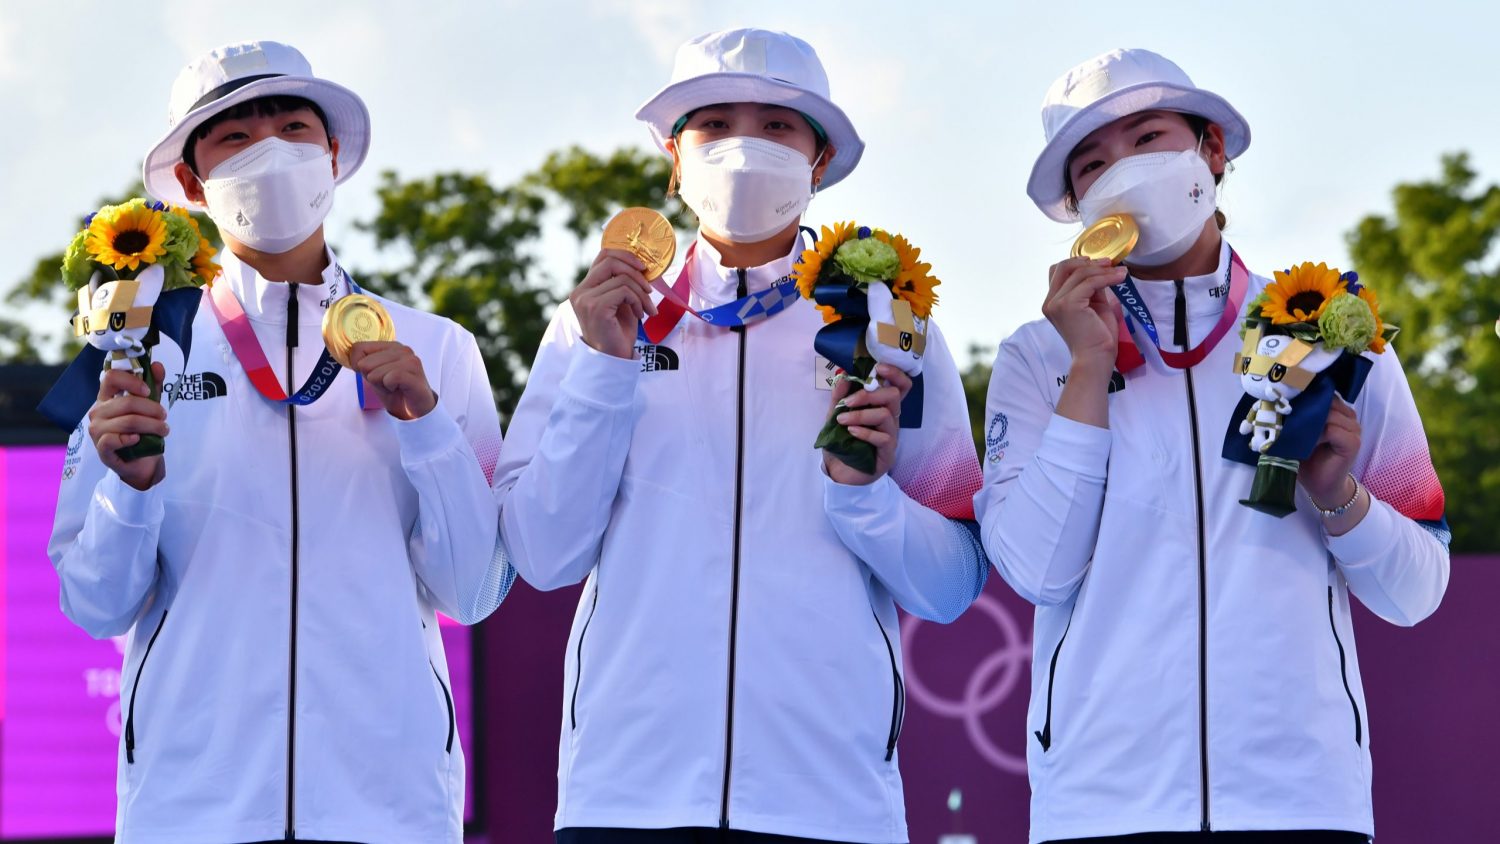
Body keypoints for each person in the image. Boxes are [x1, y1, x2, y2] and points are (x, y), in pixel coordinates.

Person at [494, 27, 988, 844]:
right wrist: (606, 372)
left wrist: (864, 496)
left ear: (820, 160)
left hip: (831, 803)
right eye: (714, 124)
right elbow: (543, 555)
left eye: (778, 126)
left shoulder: (890, 326)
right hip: (627, 799)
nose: (745, 147)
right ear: (673, 156)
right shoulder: (594, 324)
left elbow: (951, 584)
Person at [974, 48, 1450, 844]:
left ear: (1212, 151)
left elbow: (1418, 591)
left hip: (1300, 802)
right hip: (1100, 806)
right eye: (1092, 163)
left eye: (1151, 138)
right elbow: (1036, 570)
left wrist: (1342, 499)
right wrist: (1088, 368)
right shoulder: (1039, 355)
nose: (1123, 171)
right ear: (1082, 206)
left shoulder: (1332, 336)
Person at [49, 40, 510, 844]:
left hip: (389, 806)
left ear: (332, 156)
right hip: (191, 808)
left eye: (293, 127)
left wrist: (425, 424)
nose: (269, 149)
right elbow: (95, 605)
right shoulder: (138, 354)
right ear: (191, 182)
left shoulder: (436, 349)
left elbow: (473, 592)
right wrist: (131, 486)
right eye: (234, 135)